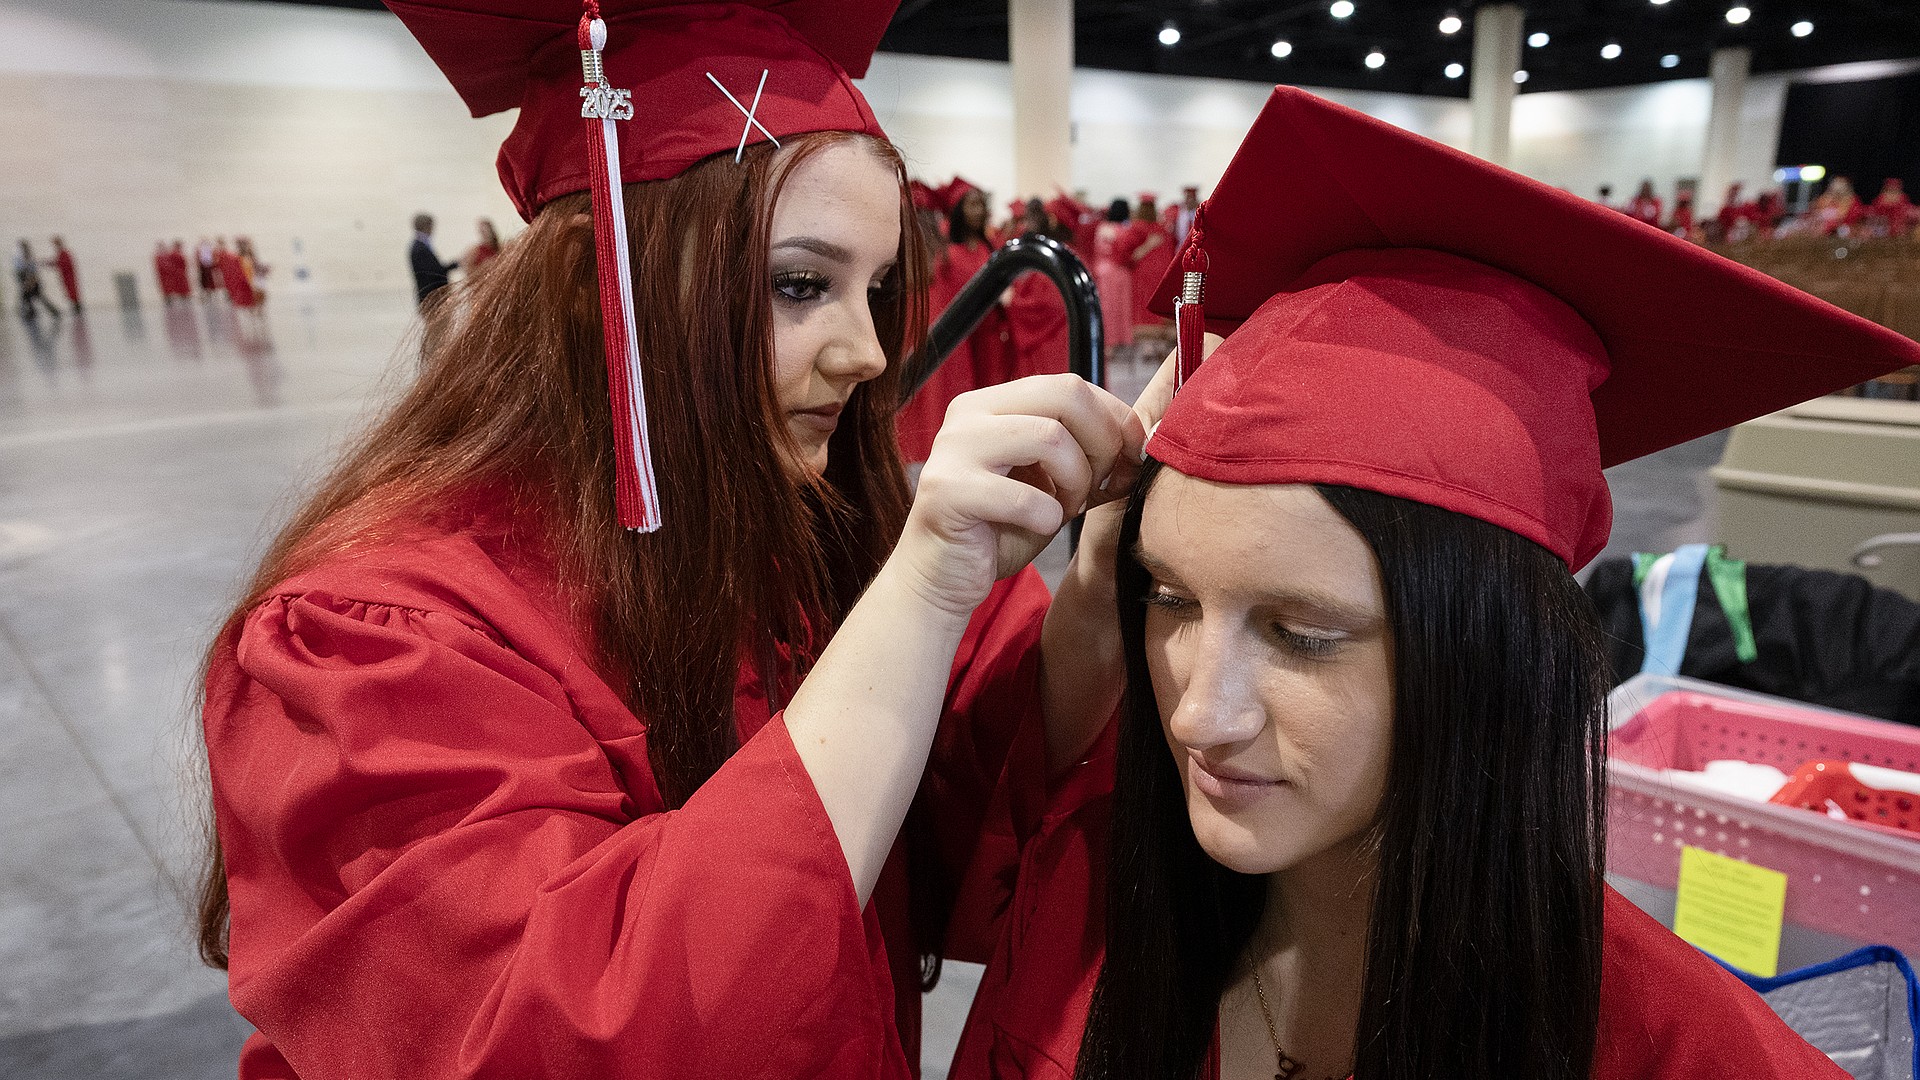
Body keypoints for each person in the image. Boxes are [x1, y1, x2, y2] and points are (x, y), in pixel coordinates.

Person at [195, 2, 1143, 1078]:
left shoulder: (779, 532)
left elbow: (964, 786)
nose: (870, 353)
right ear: (618, 290)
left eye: (876, 292)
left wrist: (1107, 584)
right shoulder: (367, 646)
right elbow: (582, 1034)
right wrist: (923, 592)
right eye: (801, 286)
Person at [950, 86, 1920, 1080]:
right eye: (1173, 598)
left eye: (1301, 633)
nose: (1198, 715)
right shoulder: (1088, 904)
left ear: (1492, 651)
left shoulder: (1690, 1055)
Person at [894, 176, 1009, 460]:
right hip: (947, 342)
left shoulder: (901, 263)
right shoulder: (946, 258)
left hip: (926, 340)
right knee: (940, 401)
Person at [1091, 198, 1136, 355]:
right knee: (1119, 309)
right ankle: (1116, 342)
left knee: (1105, 308)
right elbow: (1125, 255)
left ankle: (1105, 341)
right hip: (1118, 272)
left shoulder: (1101, 228)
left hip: (1102, 271)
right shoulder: (1122, 231)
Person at [1128, 193, 1174, 335]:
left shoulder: (1136, 228)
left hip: (1143, 271)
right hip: (1160, 271)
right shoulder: (1161, 228)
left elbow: (1129, 255)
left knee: (1143, 300)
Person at [13, 240, 60, 322]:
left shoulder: (29, 259)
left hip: (33, 283)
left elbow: (33, 273)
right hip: (29, 283)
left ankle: (54, 311)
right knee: (27, 298)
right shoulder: (24, 259)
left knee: (38, 298)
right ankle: (32, 313)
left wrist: (30, 283)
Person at [48, 236, 82, 314]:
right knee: (70, 292)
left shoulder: (64, 253)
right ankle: (75, 307)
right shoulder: (60, 253)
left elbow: (64, 264)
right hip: (65, 276)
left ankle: (77, 308)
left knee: (73, 291)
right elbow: (57, 262)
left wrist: (54, 264)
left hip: (69, 276)